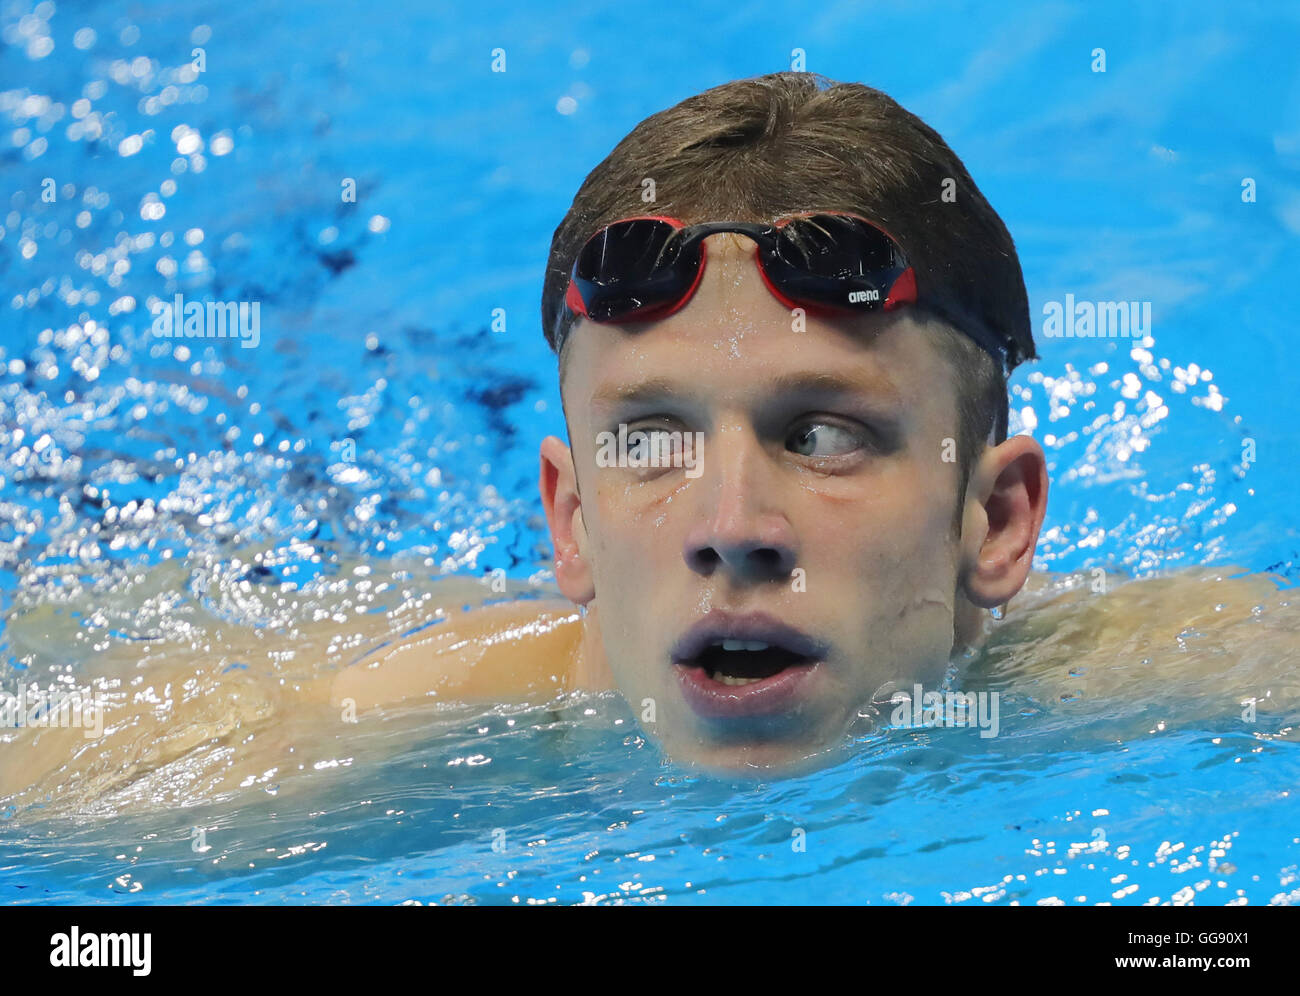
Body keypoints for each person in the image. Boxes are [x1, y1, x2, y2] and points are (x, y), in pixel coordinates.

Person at [2, 73, 1289, 810]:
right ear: (566, 521)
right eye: (650, 439)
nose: (732, 523)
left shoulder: (1132, 678)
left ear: (996, 522)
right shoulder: (348, 749)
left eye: (825, 431)